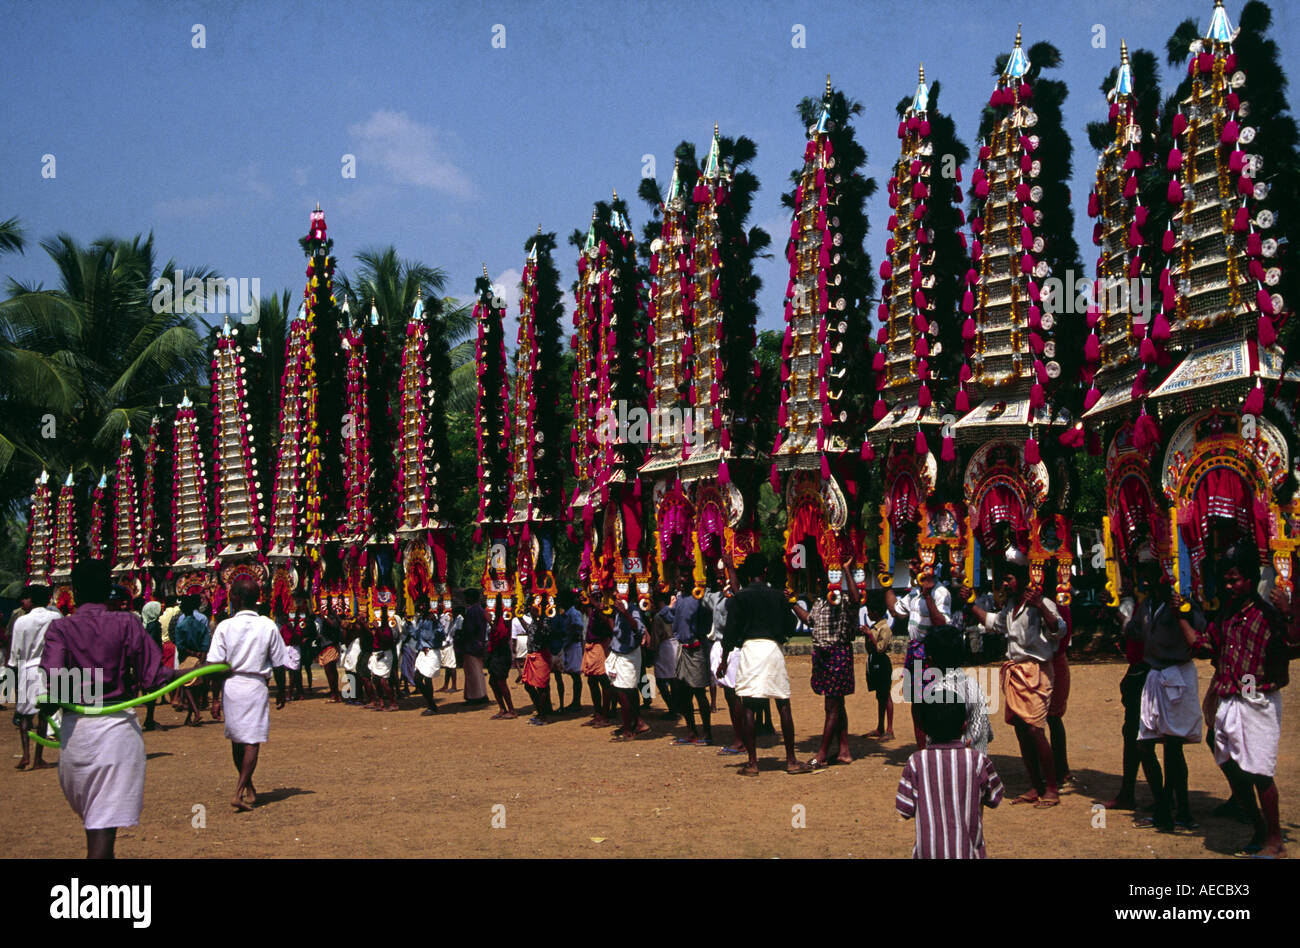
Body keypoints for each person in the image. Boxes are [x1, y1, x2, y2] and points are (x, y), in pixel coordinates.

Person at [40, 560, 175, 858]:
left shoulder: (60, 629)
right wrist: (193, 671)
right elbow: (152, 678)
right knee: (101, 838)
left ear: (73, 592)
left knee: (97, 827)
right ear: (109, 589)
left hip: (76, 736)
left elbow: (52, 679)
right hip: (115, 733)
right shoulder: (126, 622)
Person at [1184, 545, 1299, 858]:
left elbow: (1293, 642)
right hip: (1232, 696)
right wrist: (1181, 616)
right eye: (1227, 580)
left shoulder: (1269, 614)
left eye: (1235, 580)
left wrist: (1289, 612)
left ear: (1250, 579)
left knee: (1260, 772)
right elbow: (1205, 645)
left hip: (1256, 698)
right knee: (1223, 753)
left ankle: (1274, 840)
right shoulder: (1227, 614)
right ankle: (1258, 827)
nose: (1229, 585)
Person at [963, 556, 1066, 808]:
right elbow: (991, 623)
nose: (1006, 584)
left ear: (1022, 579)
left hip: (1037, 672)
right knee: (1021, 729)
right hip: (1016, 672)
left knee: (1034, 729)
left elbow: (1059, 629)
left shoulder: (1044, 604)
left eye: (1009, 579)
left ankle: (1052, 788)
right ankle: (1036, 785)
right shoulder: (1010, 609)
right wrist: (968, 603)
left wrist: (1040, 605)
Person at [1123, 558, 1206, 832]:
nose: (1145, 582)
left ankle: (1180, 810)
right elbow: (1134, 631)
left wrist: (1183, 611)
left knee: (1173, 747)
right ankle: (1161, 803)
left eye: (1151, 577)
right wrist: (1115, 608)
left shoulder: (1181, 603)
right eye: (1142, 576)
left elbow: (1200, 629)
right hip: (1154, 676)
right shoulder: (1145, 605)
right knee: (1144, 743)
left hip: (1177, 675)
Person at [717, 551, 813, 776]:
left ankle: (752, 763)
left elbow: (730, 633)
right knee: (783, 704)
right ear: (765, 572)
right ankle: (791, 761)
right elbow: (790, 626)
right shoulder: (778, 596)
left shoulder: (740, 598)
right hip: (773, 650)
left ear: (747, 574)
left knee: (749, 705)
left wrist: (724, 660)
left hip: (750, 650)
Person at [205, 576, 289, 812]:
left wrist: (215, 699)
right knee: (252, 740)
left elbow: (215, 666)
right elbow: (279, 664)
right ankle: (240, 790)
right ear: (257, 599)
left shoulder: (224, 626)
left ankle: (247, 787)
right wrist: (282, 691)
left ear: (234, 598)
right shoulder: (268, 625)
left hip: (231, 686)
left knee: (238, 740)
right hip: (255, 685)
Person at [895, 690, 1005, 858]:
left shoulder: (916, 762)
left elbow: (905, 808)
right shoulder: (977, 761)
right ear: (964, 725)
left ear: (923, 727)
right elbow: (995, 797)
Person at [792, 567, 862, 768]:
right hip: (821, 655)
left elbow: (856, 600)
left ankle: (821, 754)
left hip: (837, 654)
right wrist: (792, 603)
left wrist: (848, 570)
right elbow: (809, 619)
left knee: (832, 706)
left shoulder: (843, 600)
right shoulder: (821, 600)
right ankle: (844, 750)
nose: (819, 580)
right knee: (835, 703)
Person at [886, 557, 952, 749]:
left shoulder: (941, 593)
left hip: (933, 653)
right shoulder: (913, 593)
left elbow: (941, 624)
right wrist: (886, 583)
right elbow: (895, 611)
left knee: (936, 701)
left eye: (917, 563)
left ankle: (940, 747)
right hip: (914, 652)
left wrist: (928, 595)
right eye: (911, 563)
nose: (912, 568)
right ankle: (922, 749)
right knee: (917, 703)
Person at [1105, 575, 1147, 811]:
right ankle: (1129, 792)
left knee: (1145, 737)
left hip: (1152, 671)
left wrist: (1115, 612)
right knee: (1134, 733)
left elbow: (1136, 631)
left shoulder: (1154, 603)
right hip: (1139, 670)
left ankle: (1168, 799)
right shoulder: (1143, 603)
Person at [8, 584, 61, 770]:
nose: (22, 602)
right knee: (44, 713)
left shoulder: (21, 622)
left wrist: (13, 672)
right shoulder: (55, 617)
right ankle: (38, 757)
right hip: (49, 668)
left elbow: (15, 654)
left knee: (24, 714)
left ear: (31, 600)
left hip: (27, 669)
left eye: (24, 598)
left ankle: (26, 755)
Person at [663, 576, 713, 746]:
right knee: (682, 691)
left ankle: (707, 733)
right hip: (682, 649)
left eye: (685, 575)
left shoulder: (700, 598)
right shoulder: (680, 598)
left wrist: (699, 636)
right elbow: (669, 616)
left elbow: (707, 619)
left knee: (699, 691)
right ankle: (691, 731)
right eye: (680, 575)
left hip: (696, 649)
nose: (681, 579)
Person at [1042, 562, 1073, 785]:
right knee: (1051, 719)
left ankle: (1057, 770)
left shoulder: (1057, 607)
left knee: (1049, 718)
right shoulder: (1058, 606)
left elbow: (1061, 635)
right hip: (1055, 662)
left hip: (1052, 663)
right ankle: (1057, 768)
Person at [606, 596, 650, 741]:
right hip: (618, 653)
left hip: (628, 655)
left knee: (624, 691)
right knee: (623, 690)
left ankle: (627, 730)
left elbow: (638, 628)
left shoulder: (632, 609)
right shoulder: (616, 610)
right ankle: (637, 722)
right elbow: (616, 632)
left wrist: (625, 612)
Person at [862, 590, 895, 739]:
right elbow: (870, 649)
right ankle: (880, 727)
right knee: (880, 696)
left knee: (886, 695)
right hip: (874, 662)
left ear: (875, 612)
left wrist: (870, 635)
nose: (868, 614)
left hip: (882, 663)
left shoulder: (884, 628)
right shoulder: (875, 627)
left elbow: (880, 649)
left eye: (869, 611)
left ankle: (890, 729)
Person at [518, 607, 554, 725]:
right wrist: (519, 618)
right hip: (532, 655)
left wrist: (536, 618)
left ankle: (543, 716)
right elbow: (530, 630)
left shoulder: (547, 619)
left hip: (541, 655)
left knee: (541, 686)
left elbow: (544, 633)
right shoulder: (535, 620)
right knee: (528, 685)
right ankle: (540, 712)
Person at [580, 600, 614, 727]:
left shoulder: (604, 608)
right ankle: (598, 714)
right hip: (592, 645)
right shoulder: (593, 609)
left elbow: (607, 624)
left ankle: (604, 716)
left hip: (600, 645)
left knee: (603, 680)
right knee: (592, 681)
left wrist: (596, 605)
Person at [650, 590, 680, 721]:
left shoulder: (658, 617)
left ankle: (672, 709)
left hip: (664, 647)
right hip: (676, 644)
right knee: (674, 679)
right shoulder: (676, 613)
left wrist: (652, 652)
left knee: (661, 680)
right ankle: (676, 708)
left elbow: (656, 638)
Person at [486, 600, 517, 719]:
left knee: (501, 682)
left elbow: (502, 635)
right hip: (494, 652)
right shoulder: (497, 617)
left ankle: (512, 710)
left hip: (501, 653)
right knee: (493, 682)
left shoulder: (506, 618)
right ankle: (502, 708)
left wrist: (489, 622)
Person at [458, 590, 490, 705]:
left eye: (467, 597)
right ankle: (476, 694)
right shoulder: (480, 610)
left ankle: (477, 696)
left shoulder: (472, 611)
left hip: (472, 644)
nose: (465, 599)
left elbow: (470, 630)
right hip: (478, 643)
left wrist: (461, 634)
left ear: (471, 598)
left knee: (473, 672)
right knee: (476, 670)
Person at [410, 599, 442, 715]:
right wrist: (409, 625)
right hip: (422, 652)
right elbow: (416, 635)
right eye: (420, 605)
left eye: (424, 605)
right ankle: (431, 703)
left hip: (432, 651)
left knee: (427, 679)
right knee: (417, 679)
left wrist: (436, 623)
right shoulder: (421, 620)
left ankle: (431, 706)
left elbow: (440, 634)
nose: (421, 607)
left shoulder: (433, 620)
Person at [368, 610, 399, 712]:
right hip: (376, 654)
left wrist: (377, 628)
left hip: (385, 655)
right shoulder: (380, 629)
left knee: (383, 681)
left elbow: (385, 640)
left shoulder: (388, 629)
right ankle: (381, 702)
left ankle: (393, 703)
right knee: (375, 679)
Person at [559, 591, 585, 711]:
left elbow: (579, 626)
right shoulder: (567, 613)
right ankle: (575, 701)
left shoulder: (573, 612)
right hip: (569, 644)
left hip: (573, 645)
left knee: (575, 675)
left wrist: (573, 635)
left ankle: (576, 702)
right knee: (573, 675)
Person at [139, 600, 164, 730]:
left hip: (145, 662)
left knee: (149, 691)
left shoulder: (144, 625)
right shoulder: (154, 626)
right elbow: (155, 645)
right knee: (153, 691)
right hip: (152, 662)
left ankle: (149, 719)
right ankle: (149, 720)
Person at [439, 606, 462, 693]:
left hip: (448, 643)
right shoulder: (442, 616)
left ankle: (454, 686)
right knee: (447, 666)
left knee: (451, 665)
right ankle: (445, 685)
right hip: (444, 644)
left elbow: (445, 629)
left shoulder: (448, 616)